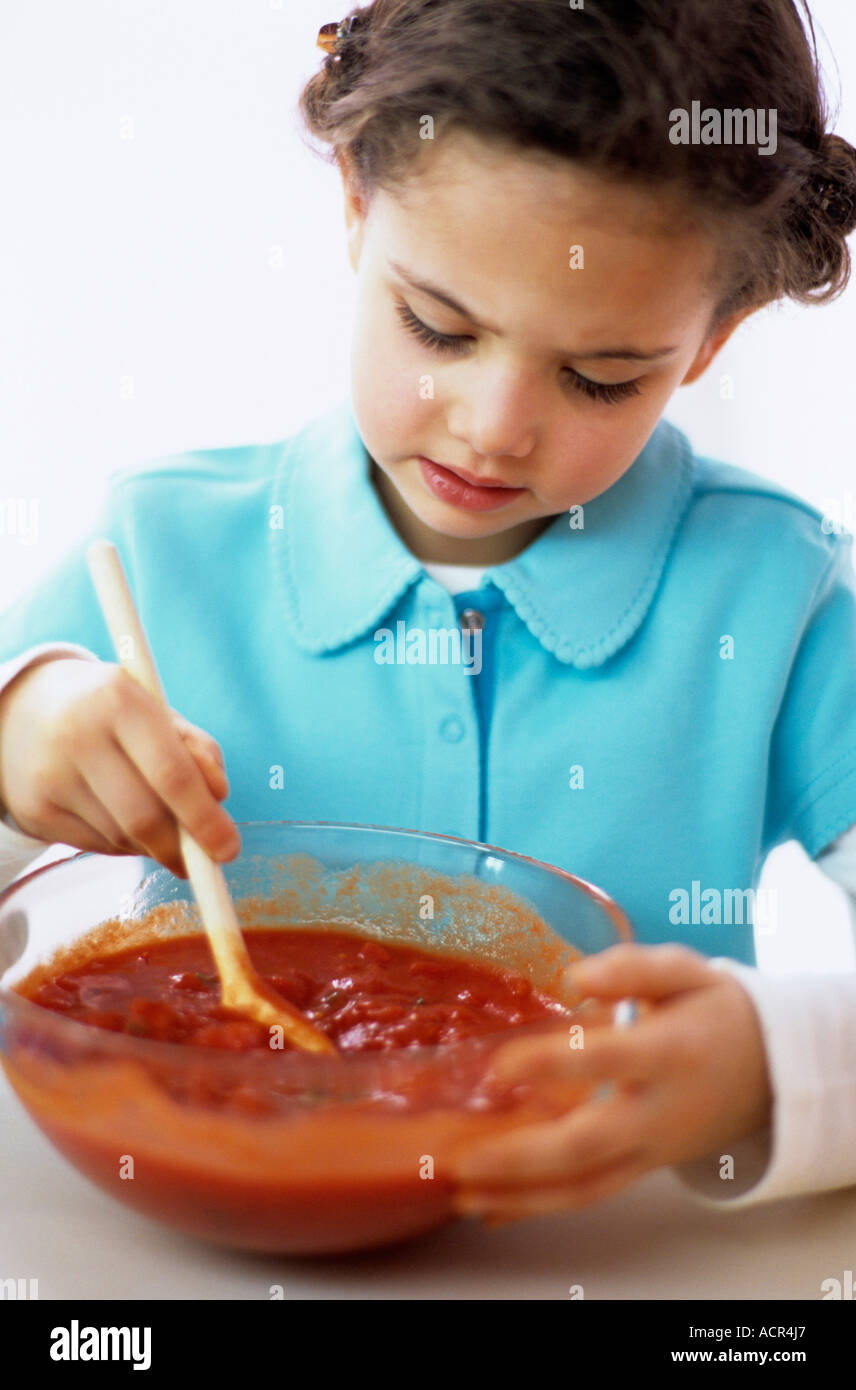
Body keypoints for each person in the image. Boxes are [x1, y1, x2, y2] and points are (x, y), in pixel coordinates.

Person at [2, 0, 856, 1224]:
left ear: (712, 337)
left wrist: (775, 1067)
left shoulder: (776, 599)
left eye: (598, 376)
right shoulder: (159, 550)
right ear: (355, 202)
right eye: (436, 327)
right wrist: (16, 736)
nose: (494, 424)